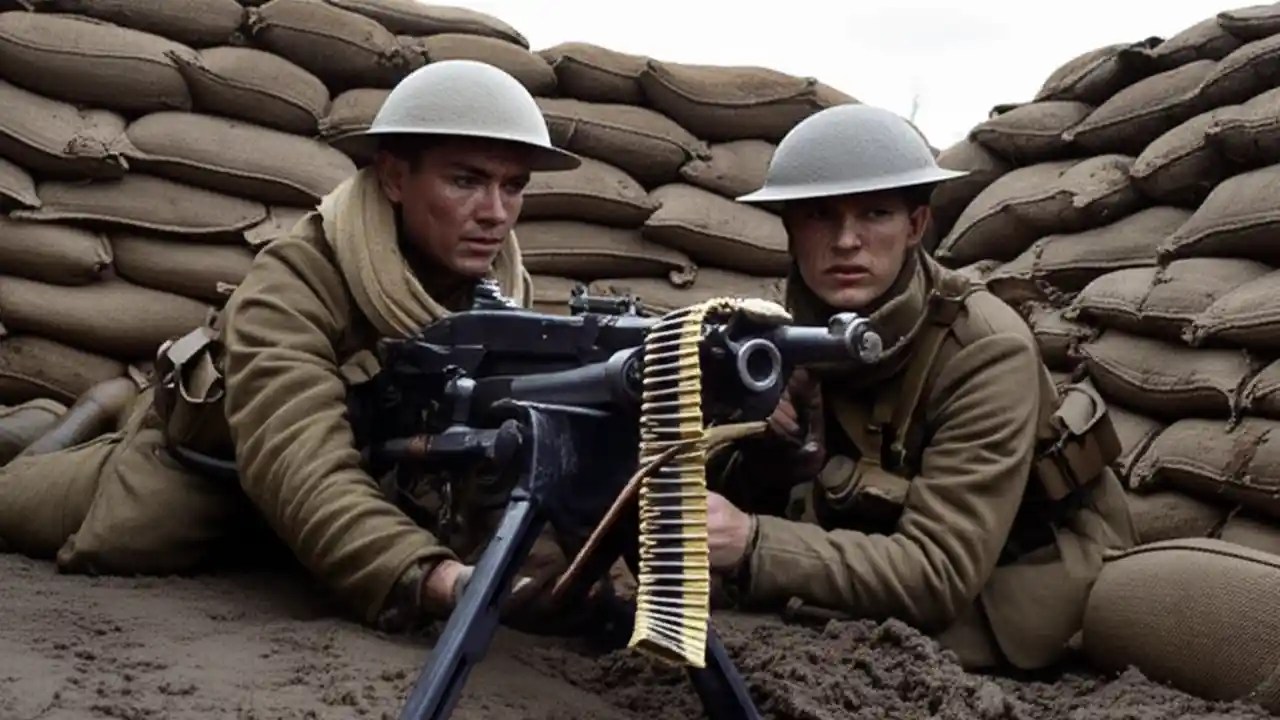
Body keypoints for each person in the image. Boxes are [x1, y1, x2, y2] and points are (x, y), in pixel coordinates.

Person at [0, 60, 583, 632]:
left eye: (513, 187)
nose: (496, 213)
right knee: (49, 510)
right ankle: (84, 417)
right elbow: (295, 452)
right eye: (466, 181)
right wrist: (430, 577)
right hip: (208, 475)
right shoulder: (298, 277)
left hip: (354, 496)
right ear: (395, 177)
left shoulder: (501, 301)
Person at [702, 103, 1138, 671]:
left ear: (915, 226)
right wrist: (771, 455)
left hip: (1014, 575)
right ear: (789, 226)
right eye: (817, 215)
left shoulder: (984, 348)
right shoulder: (779, 332)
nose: (846, 241)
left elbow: (940, 571)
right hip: (878, 542)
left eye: (876, 214)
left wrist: (754, 542)